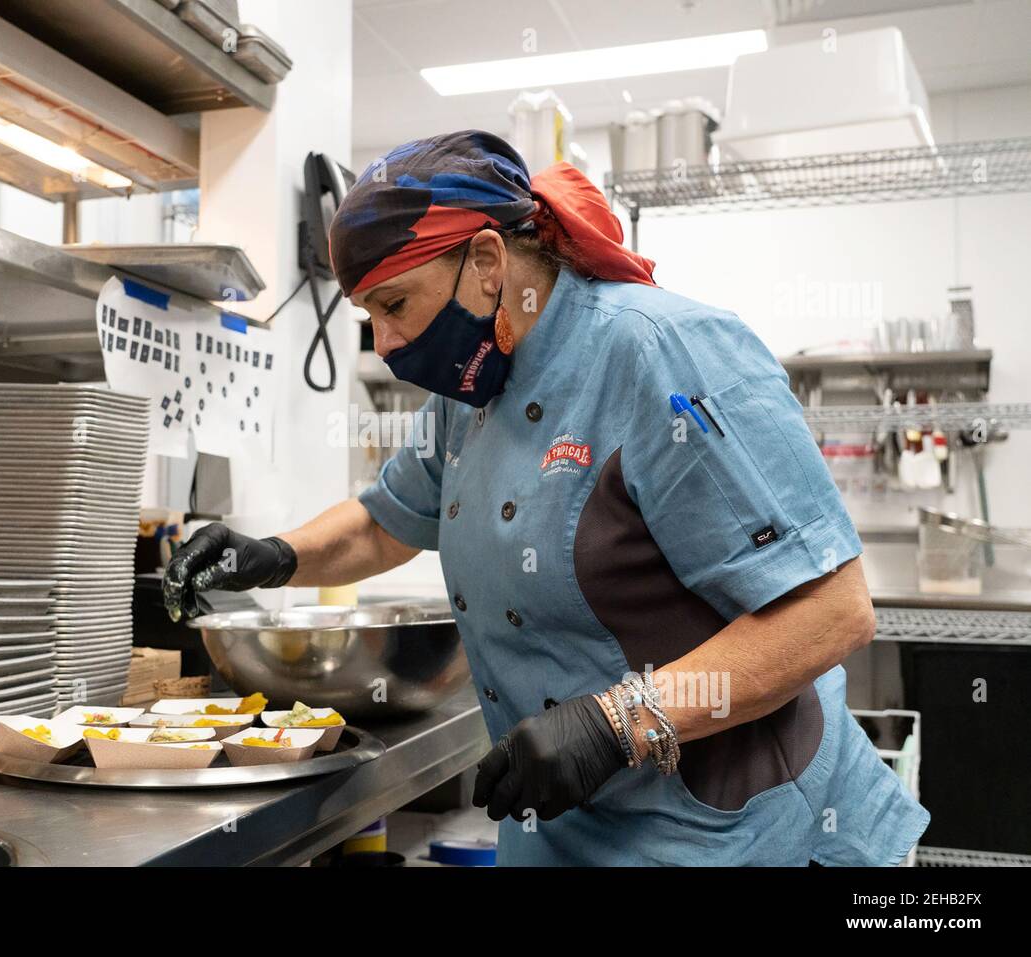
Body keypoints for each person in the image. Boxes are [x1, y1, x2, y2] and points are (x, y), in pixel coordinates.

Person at [163, 130, 929, 866]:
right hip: (573, 835)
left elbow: (832, 611)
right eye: (369, 316)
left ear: (488, 261)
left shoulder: (663, 352)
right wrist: (273, 556)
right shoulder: (471, 389)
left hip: (740, 835)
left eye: (394, 305)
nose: (386, 343)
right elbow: (386, 519)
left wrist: (613, 724)